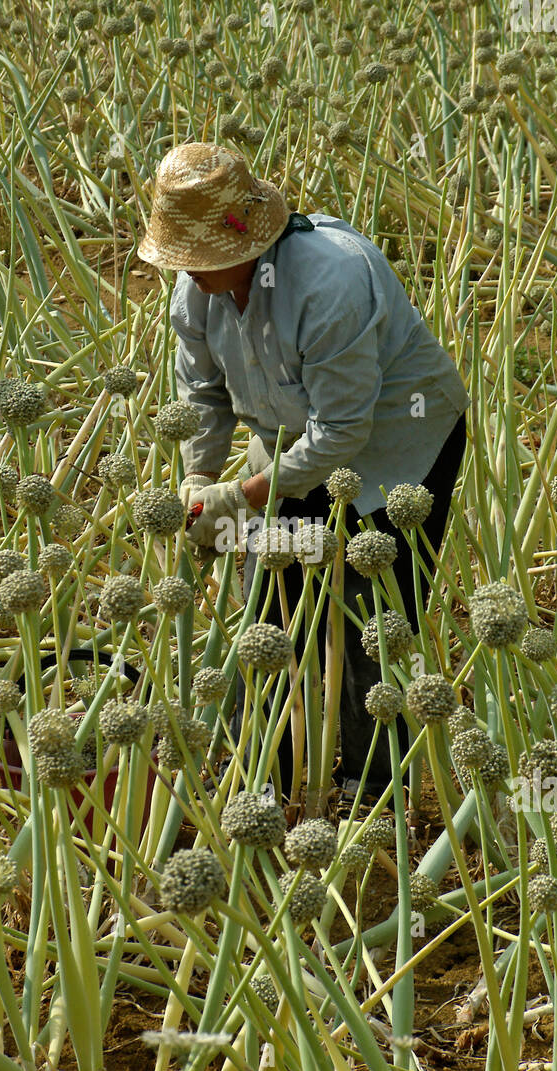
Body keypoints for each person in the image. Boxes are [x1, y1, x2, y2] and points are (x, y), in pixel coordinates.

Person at [137, 142, 470, 806]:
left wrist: (245, 495)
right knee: (266, 612)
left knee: (367, 622)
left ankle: (372, 791)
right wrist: (201, 481)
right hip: (286, 443)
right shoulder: (198, 289)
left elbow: (343, 432)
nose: (189, 274)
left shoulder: (329, 281)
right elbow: (200, 395)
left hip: (396, 443)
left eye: (198, 261)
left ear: (245, 244)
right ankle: (257, 783)